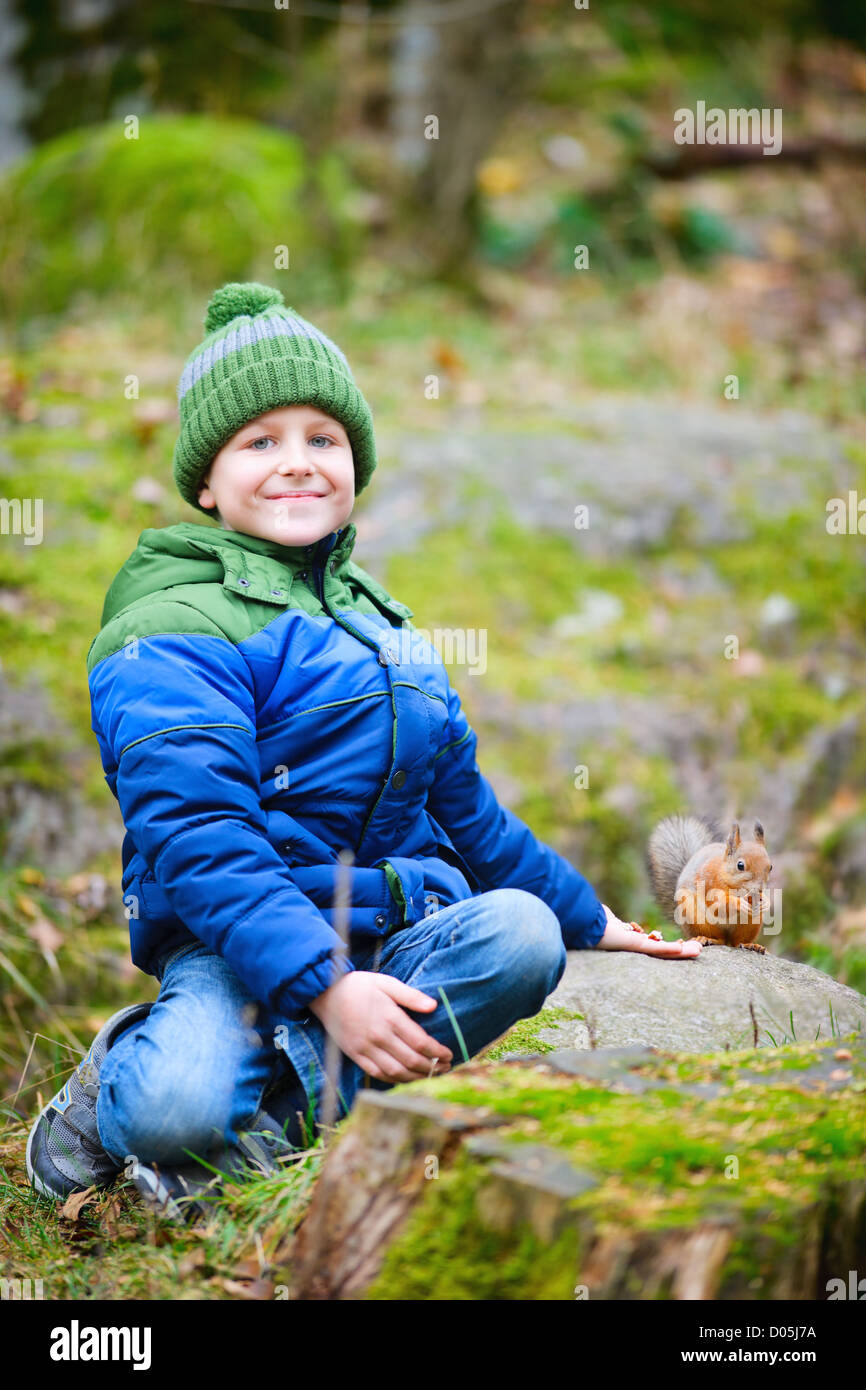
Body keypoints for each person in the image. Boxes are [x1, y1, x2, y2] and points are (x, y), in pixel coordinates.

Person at [27, 283, 702, 1219]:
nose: (297, 464)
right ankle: (127, 1095)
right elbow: (202, 837)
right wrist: (328, 988)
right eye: (260, 442)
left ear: (356, 462)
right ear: (207, 482)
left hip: (396, 930)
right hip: (241, 943)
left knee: (520, 936)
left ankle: (257, 1133)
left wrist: (590, 918)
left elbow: (468, 811)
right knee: (175, 1100)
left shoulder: (387, 630)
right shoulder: (168, 630)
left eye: (324, 439)